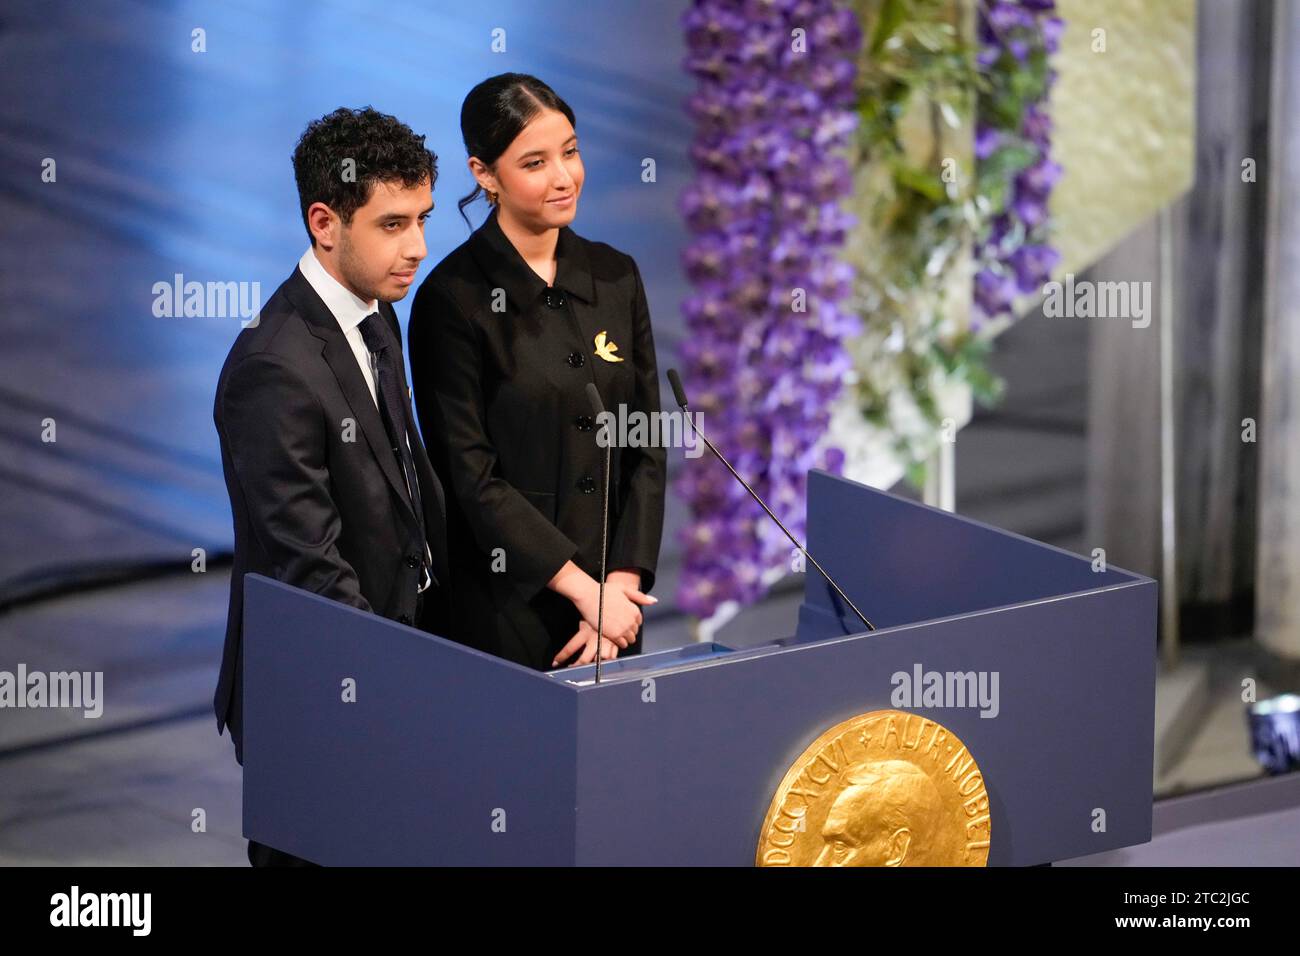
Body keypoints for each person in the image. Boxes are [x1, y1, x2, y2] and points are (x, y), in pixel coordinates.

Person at [213, 107, 448, 866]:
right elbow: (308, 567)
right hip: (325, 701)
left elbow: (399, 483)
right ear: (325, 221)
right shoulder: (273, 367)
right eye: (392, 224)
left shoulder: (377, 311)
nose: (417, 247)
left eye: (423, 219)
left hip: (389, 665)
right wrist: (401, 691)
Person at [409, 73, 665, 672]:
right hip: (508, 613)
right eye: (535, 162)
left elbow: (646, 440)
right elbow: (471, 476)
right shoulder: (452, 301)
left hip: (615, 616)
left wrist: (620, 587)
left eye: (571, 152)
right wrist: (582, 591)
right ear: (484, 174)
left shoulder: (616, 275)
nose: (563, 176)